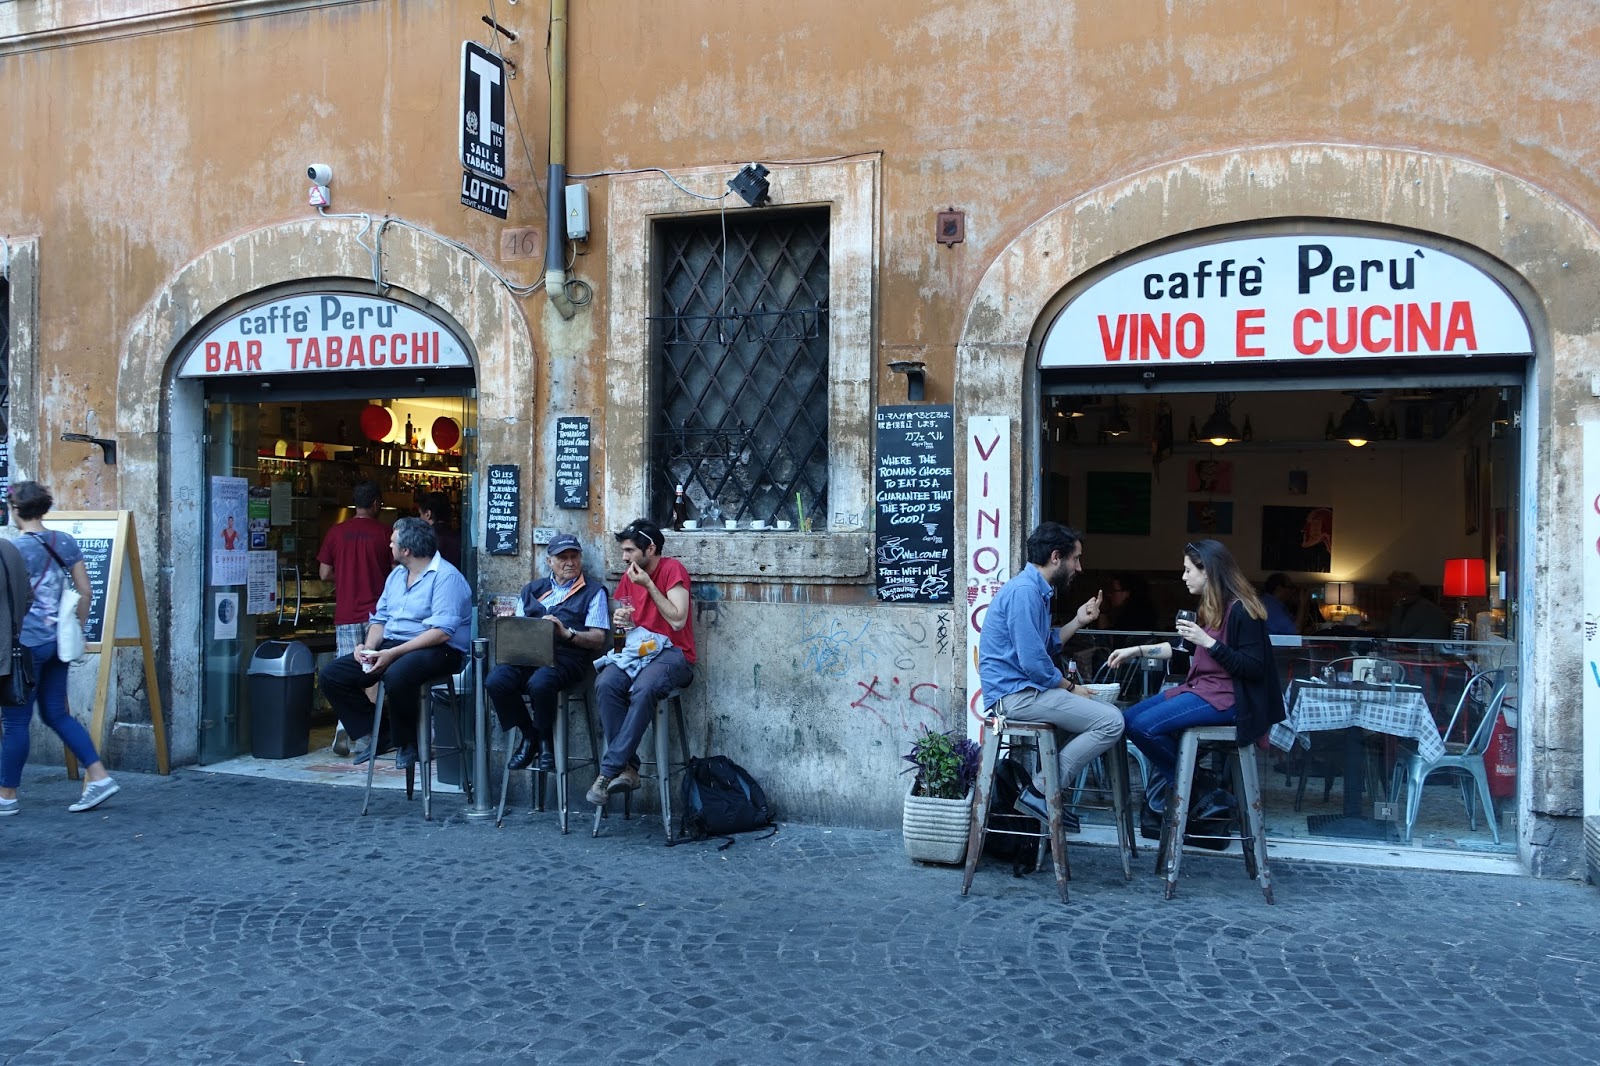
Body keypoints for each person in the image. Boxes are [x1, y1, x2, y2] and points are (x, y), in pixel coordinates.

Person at [1108, 539, 1286, 836]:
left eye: (1189, 570)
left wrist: (1210, 643)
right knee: (1127, 720)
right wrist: (1135, 651)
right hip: (1202, 689)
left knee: (1145, 727)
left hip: (1229, 699)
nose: (1183, 576)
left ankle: (1197, 786)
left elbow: (1254, 668)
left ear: (1209, 572)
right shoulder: (1209, 607)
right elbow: (1182, 649)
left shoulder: (1244, 610)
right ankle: (1202, 785)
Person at [977, 522, 1125, 833]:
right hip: (1017, 696)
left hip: (1025, 692)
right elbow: (1034, 663)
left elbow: (1046, 645)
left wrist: (1078, 620)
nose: (1079, 568)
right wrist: (1071, 688)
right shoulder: (1026, 591)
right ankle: (1041, 791)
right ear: (1056, 557)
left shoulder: (1035, 590)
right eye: (1076, 559)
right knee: (1111, 721)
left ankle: (1044, 793)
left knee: (1108, 717)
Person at [0, 481, 119, 814]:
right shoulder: (63, 541)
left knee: (15, 722)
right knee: (56, 713)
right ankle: (98, 775)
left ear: (15, 511)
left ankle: (6, 796)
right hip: (58, 642)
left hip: (24, 647)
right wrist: (77, 627)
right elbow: (86, 591)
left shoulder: (11, 549)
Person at [317, 517, 472, 770]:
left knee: (398, 674)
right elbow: (380, 619)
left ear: (406, 550)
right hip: (394, 645)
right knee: (332, 675)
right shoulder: (397, 575)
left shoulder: (446, 577)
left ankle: (408, 741)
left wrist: (392, 654)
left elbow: (442, 632)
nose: (389, 546)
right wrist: (368, 648)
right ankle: (383, 732)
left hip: (438, 650)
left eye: (392, 542)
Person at [586, 519, 694, 805]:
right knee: (606, 682)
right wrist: (619, 625)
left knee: (643, 689)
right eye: (623, 550)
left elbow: (678, 618)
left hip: (675, 656)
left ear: (651, 548)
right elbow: (622, 644)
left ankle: (609, 771)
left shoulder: (672, 570)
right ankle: (629, 768)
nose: (624, 557)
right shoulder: (626, 578)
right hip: (639, 652)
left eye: (630, 550)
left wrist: (648, 585)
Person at [485, 533, 609, 772]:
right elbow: (520, 629)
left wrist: (566, 633)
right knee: (496, 680)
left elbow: (598, 639)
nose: (570, 562)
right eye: (563, 557)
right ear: (549, 561)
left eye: (574, 556)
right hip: (528, 656)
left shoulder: (594, 591)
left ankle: (542, 741)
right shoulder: (532, 589)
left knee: (540, 683)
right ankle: (532, 736)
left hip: (567, 658)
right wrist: (512, 624)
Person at [317, 480, 393, 755]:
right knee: (371, 672)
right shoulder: (386, 534)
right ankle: (367, 734)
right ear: (376, 504)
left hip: (346, 613)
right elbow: (397, 572)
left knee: (344, 674)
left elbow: (325, 573)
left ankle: (344, 728)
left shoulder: (336, 533)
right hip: (378, 615)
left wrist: (346, 576)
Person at [1386, 570, 1450, 640]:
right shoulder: (1421, 604)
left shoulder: (1422, 609)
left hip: (1426, 647)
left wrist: (1397, 608)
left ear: (1401, 592)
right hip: (1420, 646)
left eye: (1391, 589)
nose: (1389, 593)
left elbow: (1396, 635)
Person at [417, 491, 461, 570]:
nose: (419, 518)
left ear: (428, 514)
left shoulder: (424, 539)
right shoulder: (459, 537)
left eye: (420, 514)